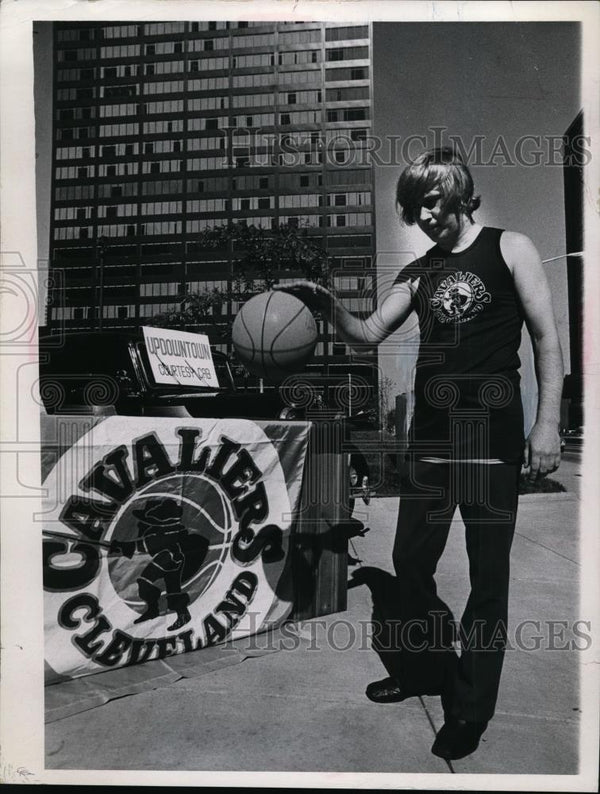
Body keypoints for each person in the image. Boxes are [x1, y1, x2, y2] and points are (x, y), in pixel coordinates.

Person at [275, 147, 563, 760]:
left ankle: (468, 706)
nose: (425, 215)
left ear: (459, 192)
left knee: (488, 582)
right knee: (409, 566)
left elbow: (546, 340)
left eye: (432, 201)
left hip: (491, 438)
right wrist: (328, 306)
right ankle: (425, 668)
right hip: (431, 440)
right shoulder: (419, 274)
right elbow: (366, 336)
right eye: (414, 207)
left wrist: (547, 425)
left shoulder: (510, 248)